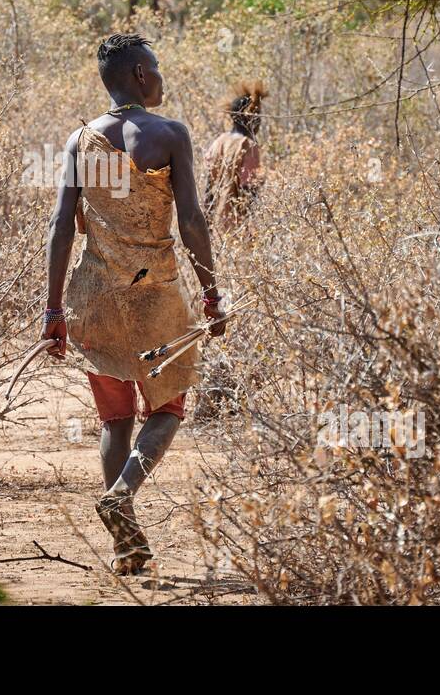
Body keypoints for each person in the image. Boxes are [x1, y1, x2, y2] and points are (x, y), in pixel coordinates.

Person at [41, 33, 225, 575]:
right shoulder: (169, 135)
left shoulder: (80, 141)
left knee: (116, 420)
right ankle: (122, 494)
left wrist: (52, 311)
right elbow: (191, 221)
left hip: (92, 298)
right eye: (158, 67)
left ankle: (127, 547)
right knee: (167, 410)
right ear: (141, 75)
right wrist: (212, 292)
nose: (162, 76)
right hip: (155, 296)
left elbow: (58, 230)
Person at [203, 80, 266, 229]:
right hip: (234, 225)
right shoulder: (248, 146)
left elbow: (209, 187)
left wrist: (207, 222)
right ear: (252, 117)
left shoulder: (219, 141)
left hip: (214, 222)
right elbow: (248, 191)